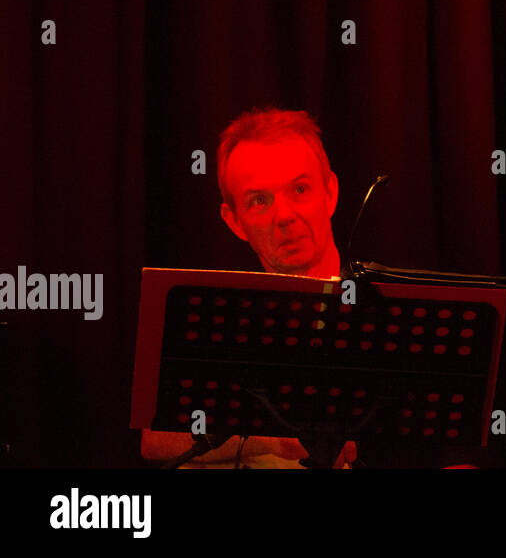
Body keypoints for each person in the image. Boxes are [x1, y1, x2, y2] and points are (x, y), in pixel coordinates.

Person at [140, 108, 352, 467]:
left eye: (299, 189)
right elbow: (154, 438)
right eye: (260, 200)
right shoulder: (211, 318)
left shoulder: (391, 306)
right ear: (234, 221)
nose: (283, 215)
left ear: (330, 192)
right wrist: (273, 439)